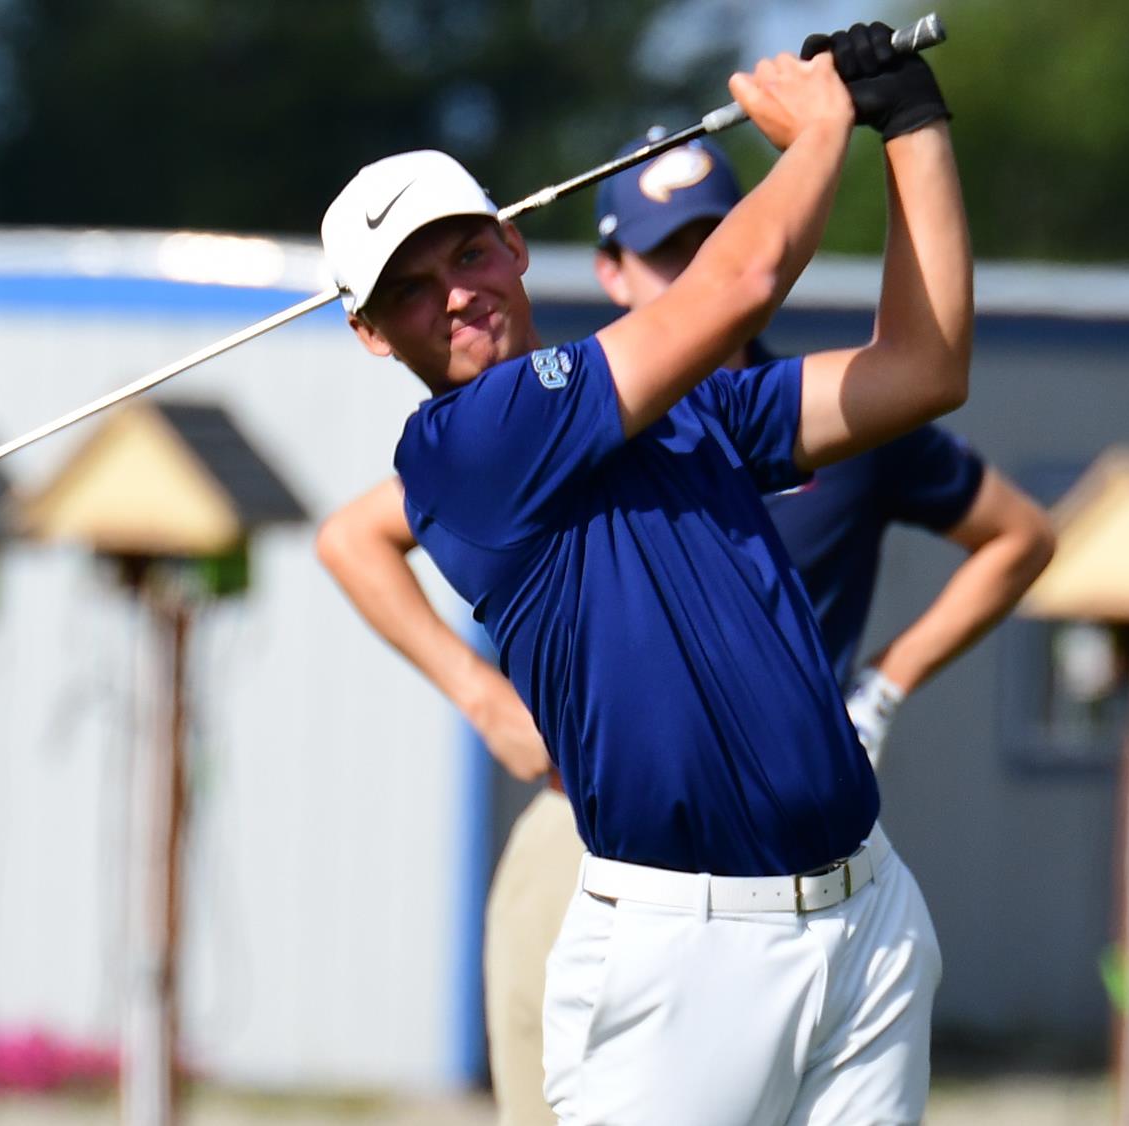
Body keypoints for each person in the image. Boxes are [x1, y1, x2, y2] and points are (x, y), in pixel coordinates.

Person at [317, 27, 967, 1124]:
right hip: (686, 949)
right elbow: (739, 279)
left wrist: (909, 125)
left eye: (466, 254)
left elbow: (922, 367)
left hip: (864, 913)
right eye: (412, 290)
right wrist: (815, 136)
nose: (457, 295)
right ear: (372, 334)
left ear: (514, 247)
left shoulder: (685, 409)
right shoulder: (461, 447)